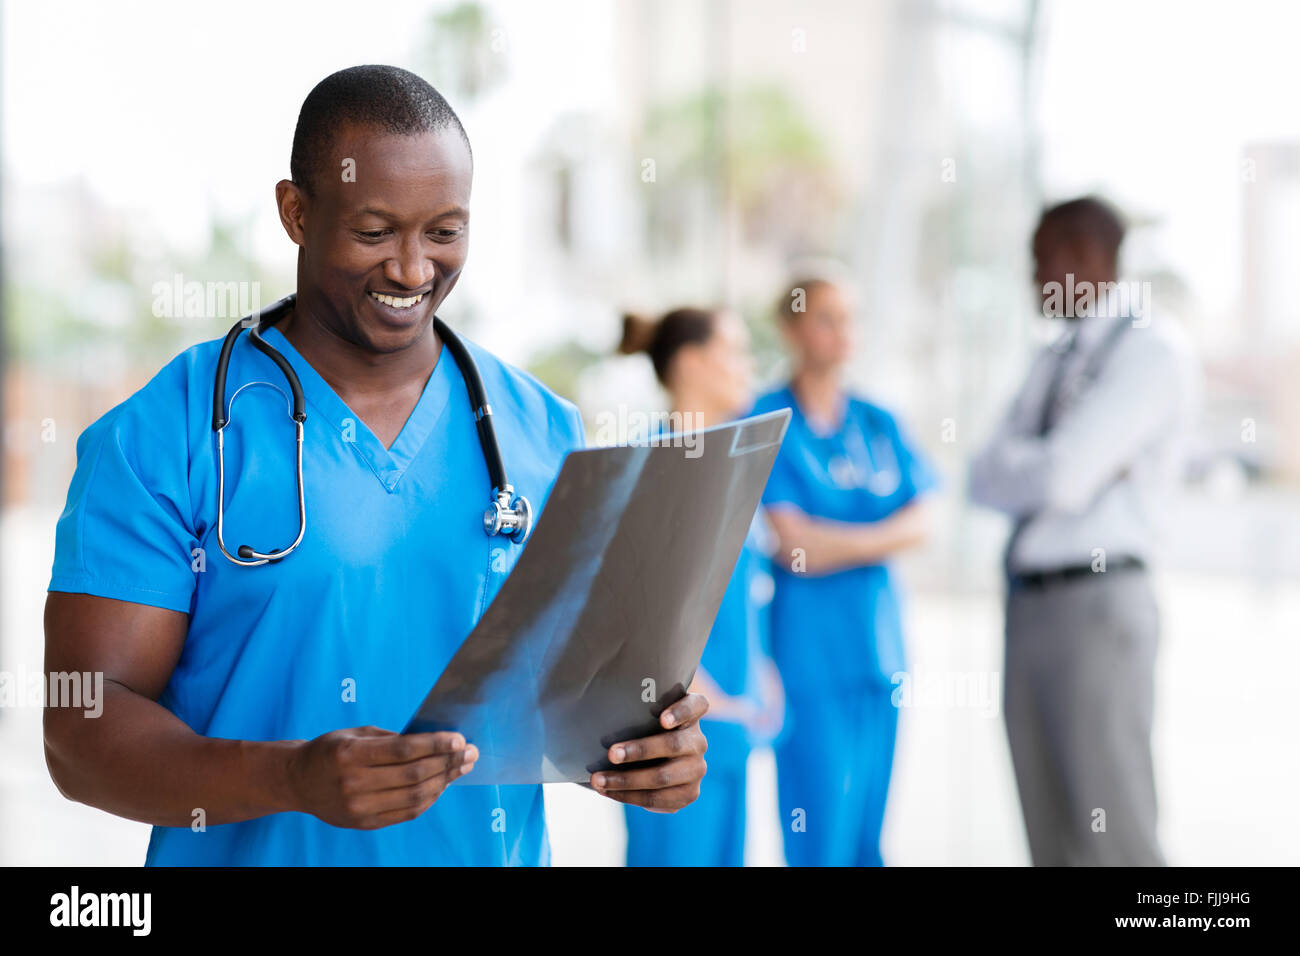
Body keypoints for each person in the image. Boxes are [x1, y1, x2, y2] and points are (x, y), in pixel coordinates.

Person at [42, 65, 708, 866]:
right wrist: (290, 778)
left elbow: (602, 686)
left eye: (443, 231)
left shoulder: (546, 432)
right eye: (373, 231)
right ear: (296, 212)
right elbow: (80, 727)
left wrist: (657, 750)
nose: (412, 269)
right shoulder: (166, 432)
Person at [969, 196, 1198, 866]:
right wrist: (1041, 465)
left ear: (1084, 258)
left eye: (1039, 260)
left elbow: (1063, 476)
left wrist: (1041, 465)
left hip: (1098, 606)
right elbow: (983, 474)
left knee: (1113, 832)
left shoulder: (1152, 350)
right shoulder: (1054, 356)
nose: (1032, 276)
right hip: (1029, 605)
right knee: (1050, 833)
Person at [749, 276, 937, 866]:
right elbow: (791, 545)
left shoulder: (877, 420)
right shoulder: (767, 418)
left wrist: (841, 540)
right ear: (791, 327)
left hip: (878, 654)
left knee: (868, 838)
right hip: (810, 659)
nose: (843, 333)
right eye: (827, 318)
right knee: (818, 833)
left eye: (850, 318)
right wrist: (884, 537)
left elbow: (927, 522)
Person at [615, 307, 784, 867]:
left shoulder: (730, 466)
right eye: (734, 352)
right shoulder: (656, 465)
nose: (749, 367)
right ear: (690, 363)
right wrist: (711, 700)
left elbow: (746, 593)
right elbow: (637, 613)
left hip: (730, 728)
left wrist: (761, 676)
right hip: (673, 728)